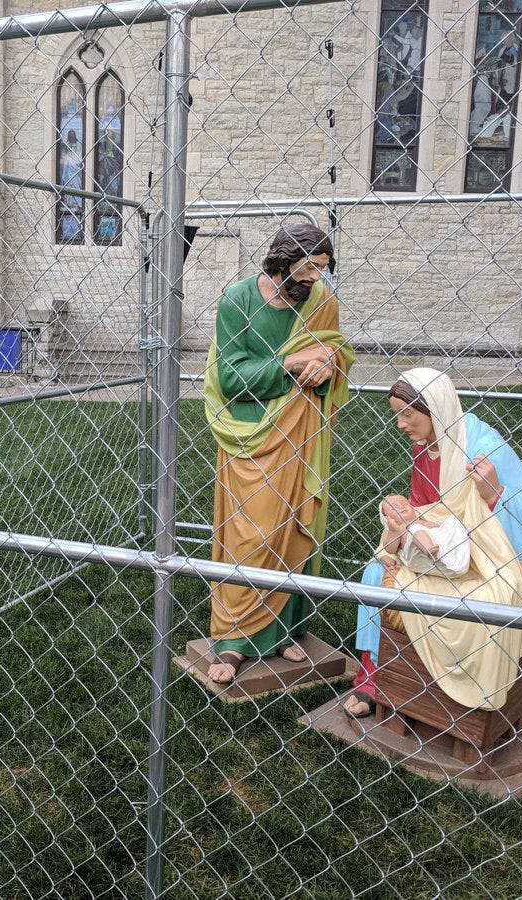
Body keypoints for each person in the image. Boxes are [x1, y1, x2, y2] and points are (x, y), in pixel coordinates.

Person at [344, 368, 522, 716]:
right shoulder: (425, 448)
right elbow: (425, 509)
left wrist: (494, 496)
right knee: (374, 574)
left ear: (434, 407)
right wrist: (400, 523)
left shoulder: (480, 447)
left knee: (488, 600)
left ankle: (462, 700)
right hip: (437, 549)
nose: (401, 424)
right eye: (397, 415)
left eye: (408, 414)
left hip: (484, 555)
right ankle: (374, 676)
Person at [203, 224, 355, 684]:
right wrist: (290, 363)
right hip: (250, 434)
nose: (313, 278)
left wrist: (328, 363)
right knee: (251, 533)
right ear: (282, 260)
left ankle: (286, 629)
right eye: (307, 268)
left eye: (321, 270)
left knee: (292, 527)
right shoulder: (239, 301)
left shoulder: (321, 300)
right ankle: (232, 640)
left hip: (301, 430)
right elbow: (231, 377)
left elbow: (337, 350)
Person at [378, 493, 470, 579]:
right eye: (394, 507)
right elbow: (390, 549)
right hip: (425, 560)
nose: (401, 506)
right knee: (414, 528)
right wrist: (393, 531)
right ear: (387, 518)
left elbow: (438, 530)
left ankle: (454, 552)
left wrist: (437, 527)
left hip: (447, 554)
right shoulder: (397, 530)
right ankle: (428, 549)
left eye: (404, 503)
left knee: (452, 520)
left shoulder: (424, 521)